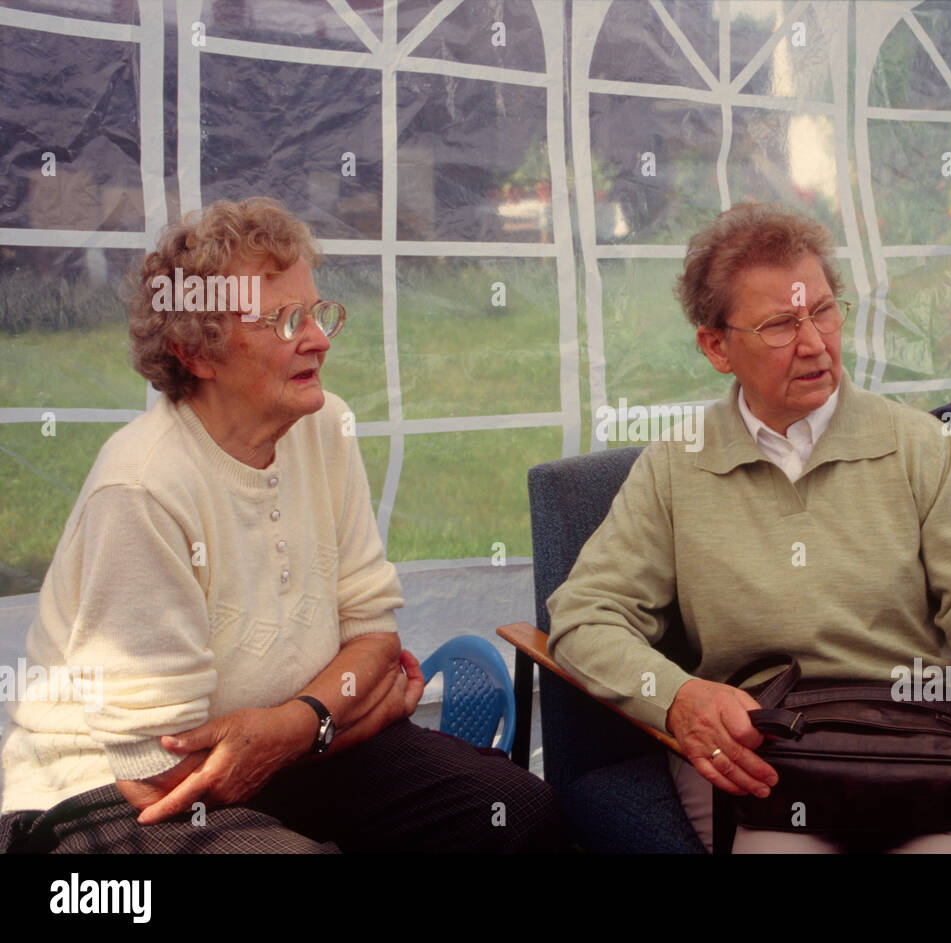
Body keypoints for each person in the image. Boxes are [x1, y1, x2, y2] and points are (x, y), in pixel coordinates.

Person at [546, 203, 951, 853]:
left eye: (823, 310)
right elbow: (582, 614)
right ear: (716, 345)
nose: (814, 343)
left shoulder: (920, 447)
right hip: (770, 759)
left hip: (932, 745)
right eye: (779, 324)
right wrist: (676, 695)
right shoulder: (676, 468)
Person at [0, 197, 565, 853]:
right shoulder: (143, 487)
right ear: (196, 353)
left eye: (319, 313)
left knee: (517, 810)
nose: (319, 339)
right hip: (101, 794)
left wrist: (303, 723)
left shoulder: (325, 426)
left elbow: (374, 637)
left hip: (291, 747)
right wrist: (348, 716)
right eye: (284, 320)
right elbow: (162, 774)